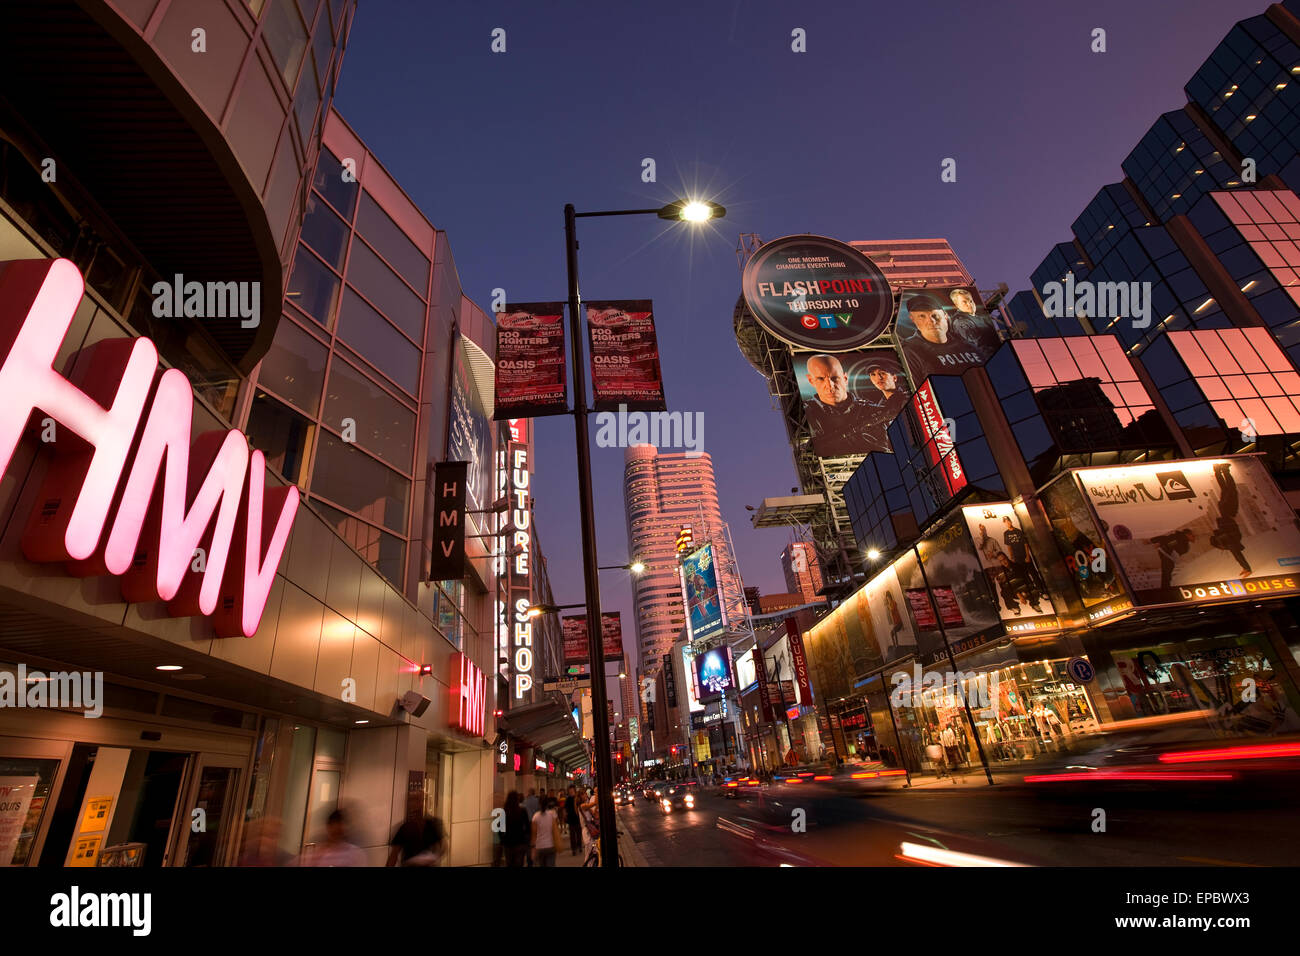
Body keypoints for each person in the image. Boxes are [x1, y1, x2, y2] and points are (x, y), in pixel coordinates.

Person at [802, 353, 888, 455]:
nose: (830, 385)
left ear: (845, 379)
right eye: (820, 379)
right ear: (811, 381)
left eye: (835, 378)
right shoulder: (803, 416)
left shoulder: (876, 412)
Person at [899, 293, 989, 384]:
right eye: (922, 316)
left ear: (945, 316)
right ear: (913, 319)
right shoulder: (909, 351)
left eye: (935, 315)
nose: (932, 321)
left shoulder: (967, 345)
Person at [1209, 461, 1252, 576]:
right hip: (1224, 509)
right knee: (1226, 488)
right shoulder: (1228, 540)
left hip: (1228, 510)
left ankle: (1224, 469)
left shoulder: (1231, 541)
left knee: (1230, 488)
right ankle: (1219, 470)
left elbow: (1233, 529)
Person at [864, 363, 909, 430]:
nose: (878, 378)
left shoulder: (906, 399)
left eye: (882, 373)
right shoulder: (879, 406)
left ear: (894, 378)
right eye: (873, 374)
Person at [501, 791, 531, 867]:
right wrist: (526, 839)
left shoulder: (504, 811)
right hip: (520, 842)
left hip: (508, 843)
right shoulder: (522, 811)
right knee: (519, 863)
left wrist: (503, 839)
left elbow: (500, 828)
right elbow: (528, 827)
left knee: (509, 864)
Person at [531, 797, 560, 867]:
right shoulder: (551, 815)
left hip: (540, 846)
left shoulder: (535, 817)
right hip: (550, 845)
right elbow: (556, 828)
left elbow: (534, 834)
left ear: (539, 804)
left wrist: (533, 848)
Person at [564, 786, 582, 857]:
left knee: (578, 834)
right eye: (569, 790)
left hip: (578, 818)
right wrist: (565, 815)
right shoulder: (568, 799)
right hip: (571, 819)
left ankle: (579, 846)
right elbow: (565, 808)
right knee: (572, 835)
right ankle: (573, 849)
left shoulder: (577, 798)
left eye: (572, 790)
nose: (570, 792)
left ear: (574, 790)